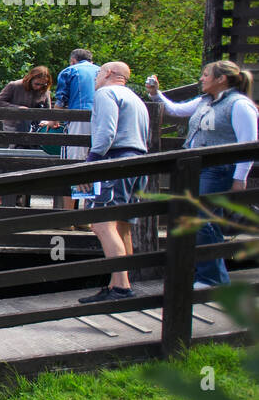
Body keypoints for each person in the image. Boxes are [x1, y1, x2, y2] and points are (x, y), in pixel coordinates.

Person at [147, 60, 258, 288]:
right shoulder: (206, 101)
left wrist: (240, 178)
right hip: (198, 168)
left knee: (199, 219)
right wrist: (156, 94)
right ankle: (214, 277)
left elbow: (248, 143)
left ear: (221, 79)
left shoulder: (239, 105)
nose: (201, 79)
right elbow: (175, 110)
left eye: (206, 74)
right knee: (204, 221)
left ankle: (210, 277)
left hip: (218, 170)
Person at [77, 62, 149, 304]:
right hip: (139, 161)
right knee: (122, 225)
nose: (96, 78)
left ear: (107, 74)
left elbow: (107, 132)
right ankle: (118, 283)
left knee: (101, 223)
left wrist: (91, 164)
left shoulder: (106, 93)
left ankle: (121, 288)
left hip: (116, 160)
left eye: (98, 73)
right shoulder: (136, 99)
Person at [0, 65, 52, 205]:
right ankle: (2, 195)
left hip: (34, 129)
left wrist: (46, 121)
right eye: (37, 84)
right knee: (12, 158)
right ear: (30, 79)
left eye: (42, 85)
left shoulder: (45, 91)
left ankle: (19, 195)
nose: (39, 87)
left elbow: (48, 110)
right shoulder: (15, 86)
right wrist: (17, 109)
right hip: (13, 126)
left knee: (29, 160)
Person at [53, 49, 100, 211]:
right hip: (102, 121)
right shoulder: (103, 71)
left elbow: (61, 98)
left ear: (73, 60)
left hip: (79, 120)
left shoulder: (70, 71)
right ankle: (86, 215)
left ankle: (69, 215)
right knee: (92, 165)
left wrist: (53, 120)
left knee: (73, 164)